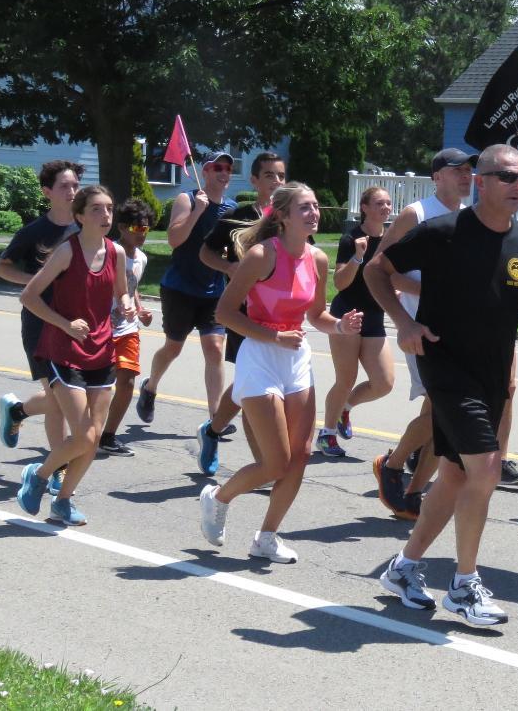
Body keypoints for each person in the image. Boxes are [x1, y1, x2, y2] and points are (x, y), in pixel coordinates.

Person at [366, 144, 518, 627]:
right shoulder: (442, 233)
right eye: (506, 176)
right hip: (445, 367)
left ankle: (405, 567)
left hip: (492, 377)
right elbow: (377, 270)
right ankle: (464, 584)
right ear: (480, 181)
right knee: (486, 468)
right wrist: (403, 322)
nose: (517, 185)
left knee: (458, 476)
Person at [199, 183, 362, 562]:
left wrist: (340, 326)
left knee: (300, 456)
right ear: (284, 216)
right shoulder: (260, 256)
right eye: (304, 207)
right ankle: (217, 498)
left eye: (316, 206)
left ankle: (266, 537)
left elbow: (316, 315)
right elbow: (224, 314)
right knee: (275, 462)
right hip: (259, 356)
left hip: (296, 358)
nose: (314, 213)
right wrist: (273, 335)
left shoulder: (317, 259)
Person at [15, 186, 132, 525]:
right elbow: (29, 296)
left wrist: (126, 306)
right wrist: (65, 324)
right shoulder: (67, 252)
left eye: (109, 208)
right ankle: (39, 475)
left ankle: (62, 501)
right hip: (63, 349)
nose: (106, 215)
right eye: (97, 209)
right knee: (84, 435)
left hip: (102, 350)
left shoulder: (117, 253)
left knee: (92, 439)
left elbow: (121, 294)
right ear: (80, 216)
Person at [370, 148, 476, 519]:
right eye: (457, 170)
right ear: (437, 177)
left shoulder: (469, 218)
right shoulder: (416, 214)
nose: (466, 175)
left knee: (441, 417)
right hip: (421, 326)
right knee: (442, 411)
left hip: (458, 331)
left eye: (469, 170)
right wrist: (413, 308)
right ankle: (393, 464)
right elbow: (379, 269)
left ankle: (412, 495)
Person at [195, 152, 287, 475]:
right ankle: (264, 463)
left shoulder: (288, 218)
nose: (277, 182)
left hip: (279, 316)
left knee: (248, 383)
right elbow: (205, 251)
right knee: (255, 389)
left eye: (281, 175)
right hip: (243, 313)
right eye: (270, 176)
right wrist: (229, 267)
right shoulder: (239, 216)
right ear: (254, 181)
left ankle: (212, 430)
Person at [0, 160, 84, 487]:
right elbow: (3, 268)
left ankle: (18, 411)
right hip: (40, 322)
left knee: (72, 395)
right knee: (60, 398)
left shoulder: (84, 228)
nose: (72, 191)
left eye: (75, 185)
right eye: (64, 186)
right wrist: (35, 279)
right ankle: (58, 470)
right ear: (47, 191)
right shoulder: (33, 232)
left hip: (76, 324)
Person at [135, 152, 236, 425]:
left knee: (215, 348)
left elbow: (231, 249)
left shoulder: (232, 208)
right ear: (205, 171)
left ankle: (215, 418)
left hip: (214, 290)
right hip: (180, 288)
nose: (224, 173)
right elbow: (174, 240)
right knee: (173, 348)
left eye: (228, 168)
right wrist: (198, 212)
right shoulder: (187, 199)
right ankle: (150, 386)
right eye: (218, 167)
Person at [317, 186, 394, 457]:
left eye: (388, 203)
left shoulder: (391, 241)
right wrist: (358, 257)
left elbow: (392, 278)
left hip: (375, 316)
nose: (385, 208)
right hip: (347, 314)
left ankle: (344, 409)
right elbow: (339, 283)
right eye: (379, 203)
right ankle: (326, 434)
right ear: (364, 207)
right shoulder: (352, 238)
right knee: (346, 378)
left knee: (384, 382)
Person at [98, 199, 155, 456]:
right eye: (137, 228)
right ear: (122, 227)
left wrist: (139, 309)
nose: (142, 233)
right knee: (98, 385)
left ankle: (108, 435)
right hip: (102, 328)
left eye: (146, 228)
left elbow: (132, 287)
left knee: (128, 381)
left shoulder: (141, 258)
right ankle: (87, 432)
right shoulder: (108, 253)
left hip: (128, 328)